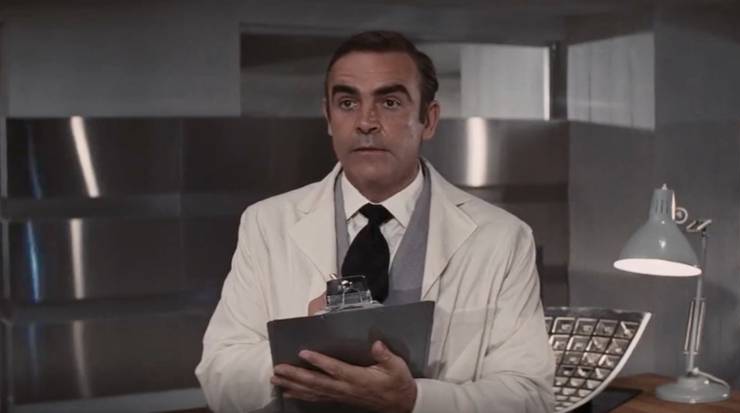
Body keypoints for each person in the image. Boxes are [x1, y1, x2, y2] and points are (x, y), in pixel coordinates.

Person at [195, 30, 555, 413]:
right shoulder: (266, 224)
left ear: (429, 120)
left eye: (390, 102)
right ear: (329, 118)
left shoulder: (502, 238)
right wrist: (303, 348)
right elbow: (219, 373)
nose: (366, 122)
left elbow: (530, 396)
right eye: (348, 102)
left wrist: (413, 400)